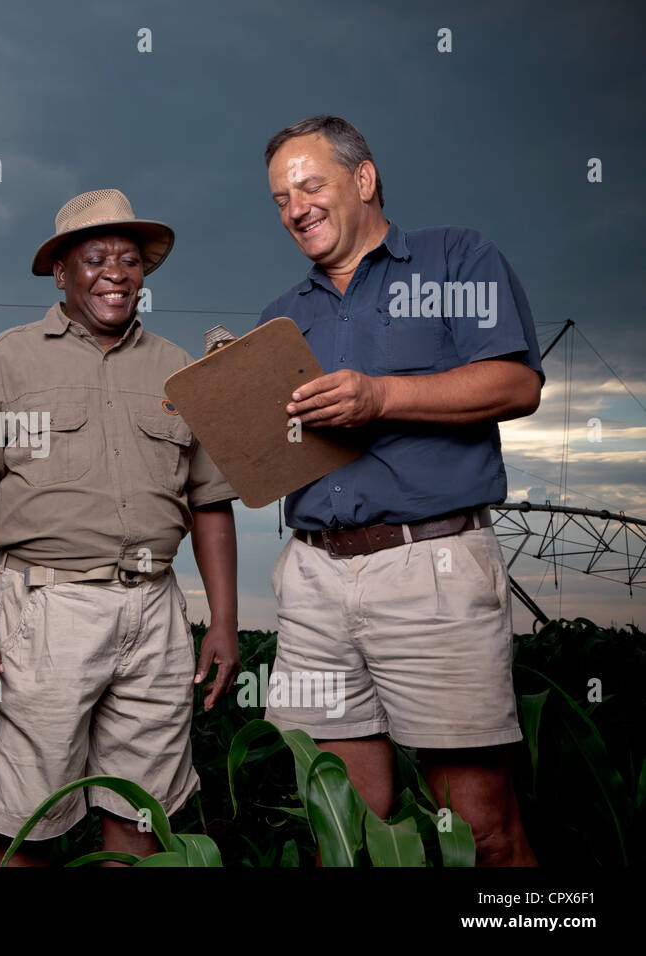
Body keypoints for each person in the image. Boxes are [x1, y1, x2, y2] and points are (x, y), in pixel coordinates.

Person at [0, 189, 239, 866]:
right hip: (44, 610)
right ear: (61, 273)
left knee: (141, 814)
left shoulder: (181, 368)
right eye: (95, 258)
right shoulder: (8, 360)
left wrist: (224, 620)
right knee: (31, 822)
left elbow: (211, 502)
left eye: (129, 259)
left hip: (155, 610)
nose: (116, 273)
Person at [258, 115, 542, 865]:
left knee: (479, 826)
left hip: (431, 568)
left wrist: (379, 399)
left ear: (364, 179)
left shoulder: (458, 258)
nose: (296, 208)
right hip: (314, 576)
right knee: (343, 830)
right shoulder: (282, 317)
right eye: (281, 198)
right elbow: (272, 458)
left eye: (310, 185)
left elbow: (516, 382)